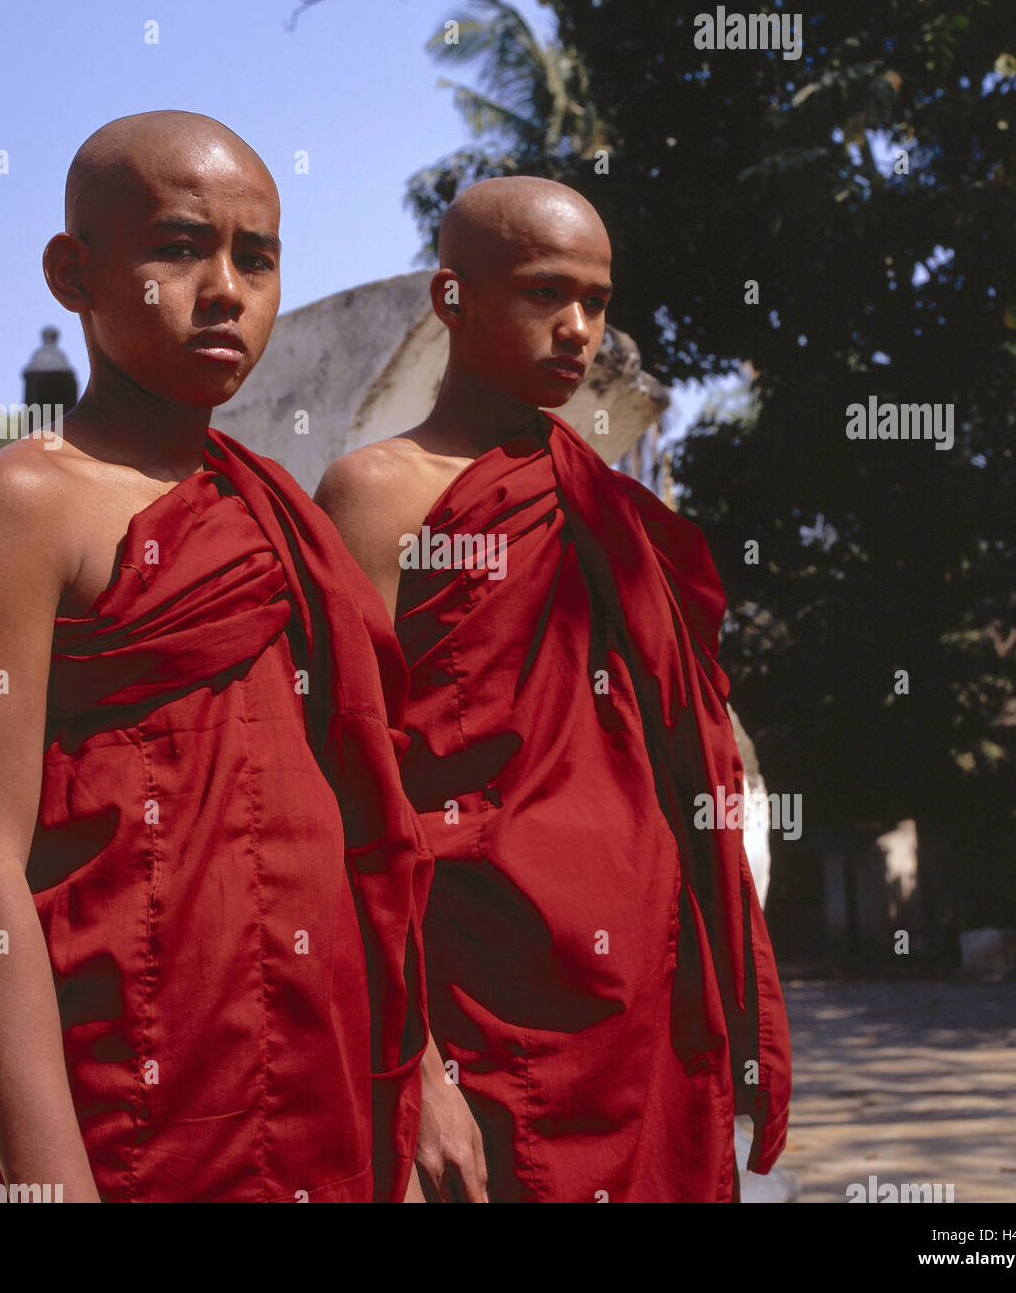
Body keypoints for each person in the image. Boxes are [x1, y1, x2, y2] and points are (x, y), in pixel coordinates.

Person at [0, 111, 430, 1203]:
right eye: (178, 246)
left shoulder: (276, 515)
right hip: (121, 1090)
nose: (226, 289)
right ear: (75, 273)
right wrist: (48, 1187)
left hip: (321, 1075)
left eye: (257, 257)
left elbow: (368, 826)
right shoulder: (25, 504)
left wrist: (422, 1071)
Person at [315, 176, 791, 1202]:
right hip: (482, 1002)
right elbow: (348, 795)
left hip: (648, 1001)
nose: (578, 329)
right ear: (453, 299)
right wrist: (418, 1064)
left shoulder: (613, 507)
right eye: (544, 294)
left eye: (597, 300)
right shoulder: (379, 494)